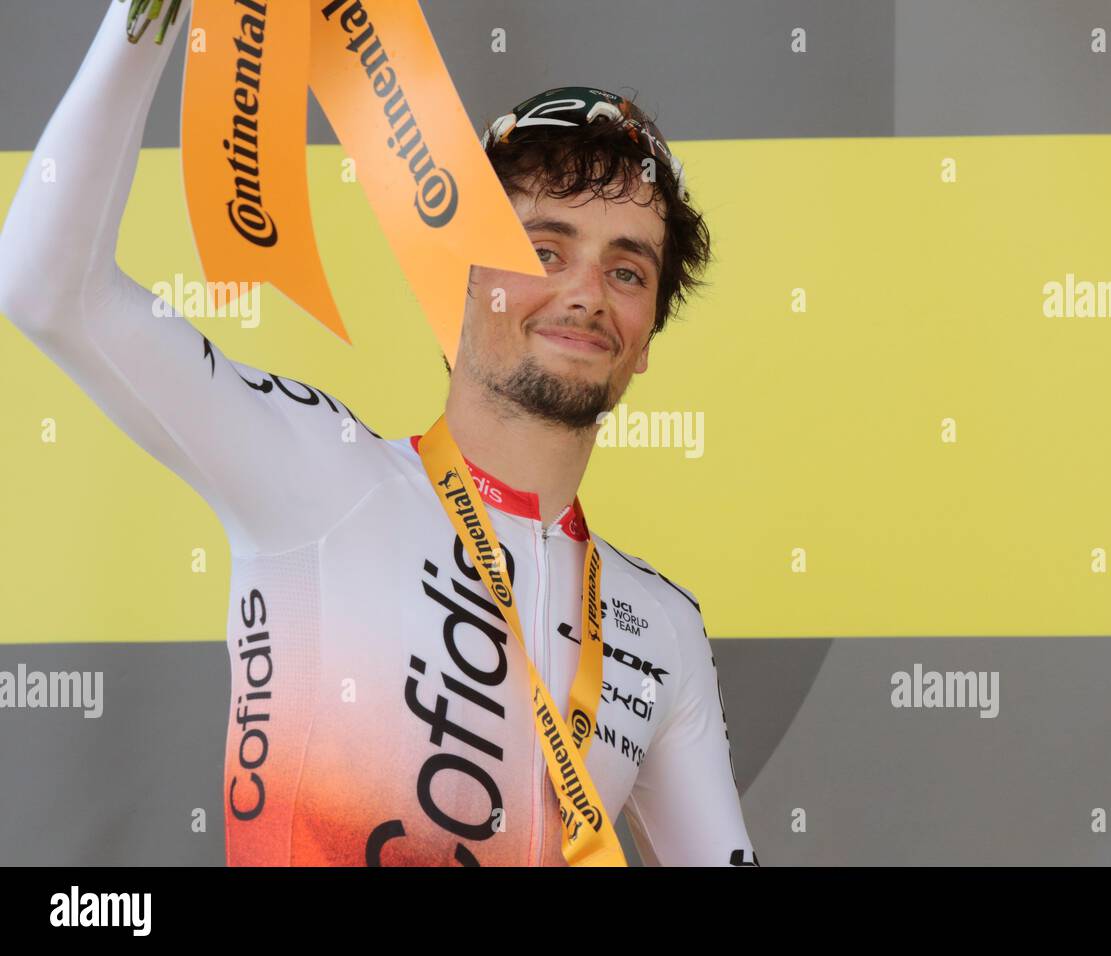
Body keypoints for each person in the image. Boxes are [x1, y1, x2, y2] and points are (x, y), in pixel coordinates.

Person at [0, 0, 757, 866]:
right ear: (462, 275)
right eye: (546, 249)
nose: (586, 292)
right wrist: (146, 17)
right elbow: (47, 291)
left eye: (627, 270)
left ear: (647, 337)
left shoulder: (661, 629)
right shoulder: (315, 473)